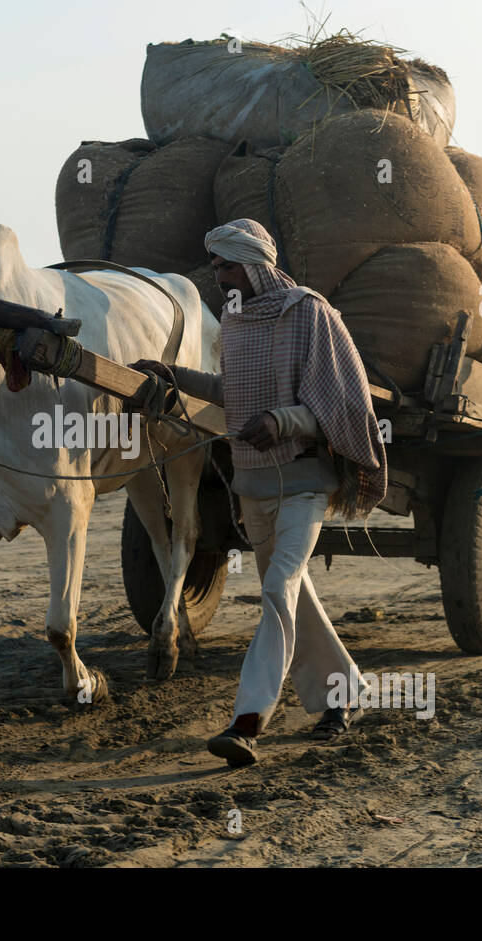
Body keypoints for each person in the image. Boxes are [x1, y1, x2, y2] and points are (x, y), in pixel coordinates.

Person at [132, 218, 387, 767]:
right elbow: (232, 393)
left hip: (303, 486)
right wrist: (171, 375)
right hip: (251, 489)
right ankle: (347, 693)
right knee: (294, 596)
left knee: (275, 589)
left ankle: (248, 721)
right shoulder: (236, 319)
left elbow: (340, 402)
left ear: (253, 265)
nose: (217, 276)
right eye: (216, 265)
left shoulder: (310, 313)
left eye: (225, 265)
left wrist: (283, 420)